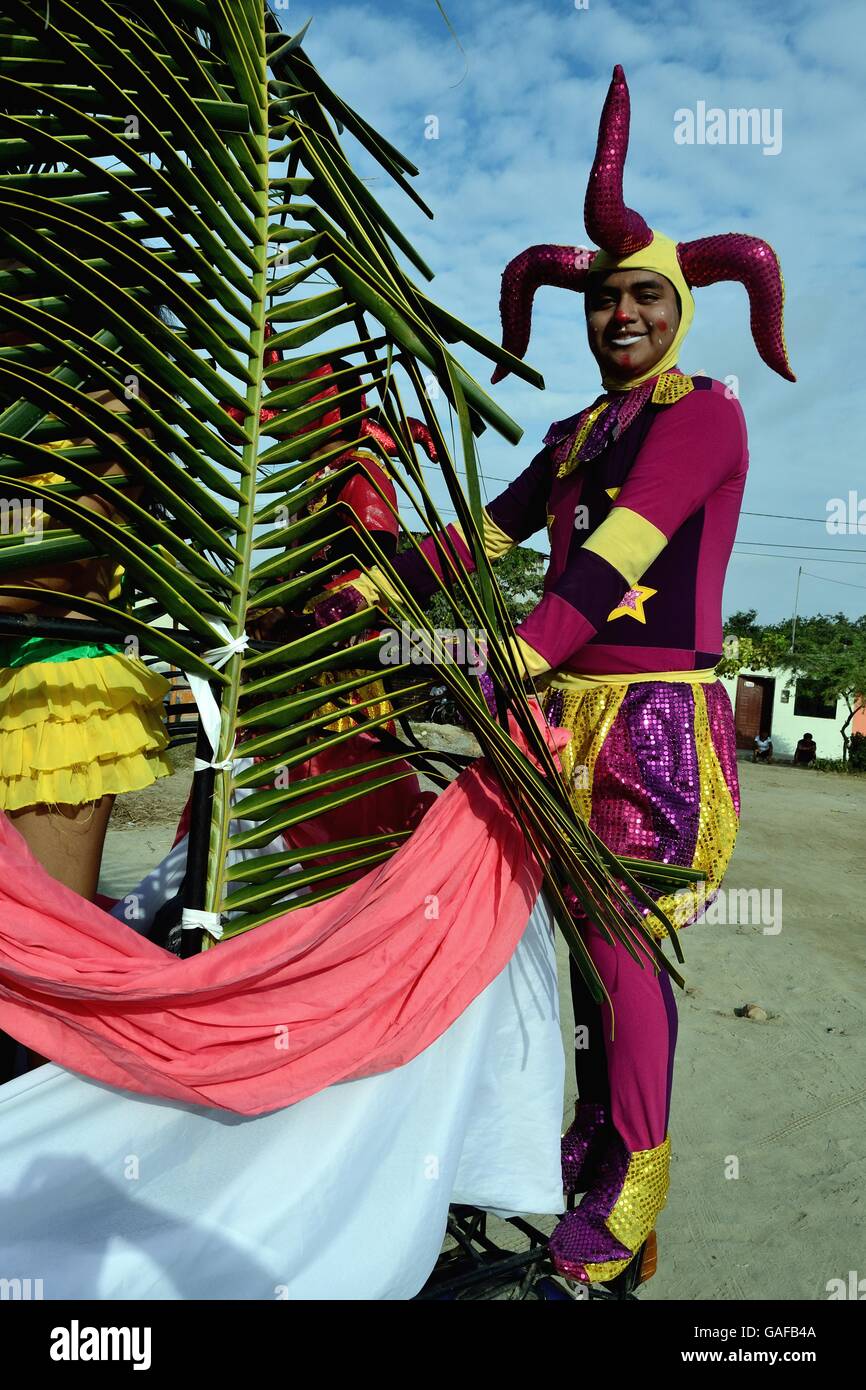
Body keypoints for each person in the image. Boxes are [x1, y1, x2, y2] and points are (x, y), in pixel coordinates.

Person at [313, 65, 795, 1285]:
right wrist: (367, 586)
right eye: (599, 300)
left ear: (680, 307)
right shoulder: (573, 435)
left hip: (645, 721)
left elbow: (619, 554)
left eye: (641, 295)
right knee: (571, 947)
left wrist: (514, 660)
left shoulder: (707, 415)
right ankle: (587, 1137)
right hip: (553, 717)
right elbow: (484, 535)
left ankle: (635, 1175)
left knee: (623, 940)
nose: (617, 315)